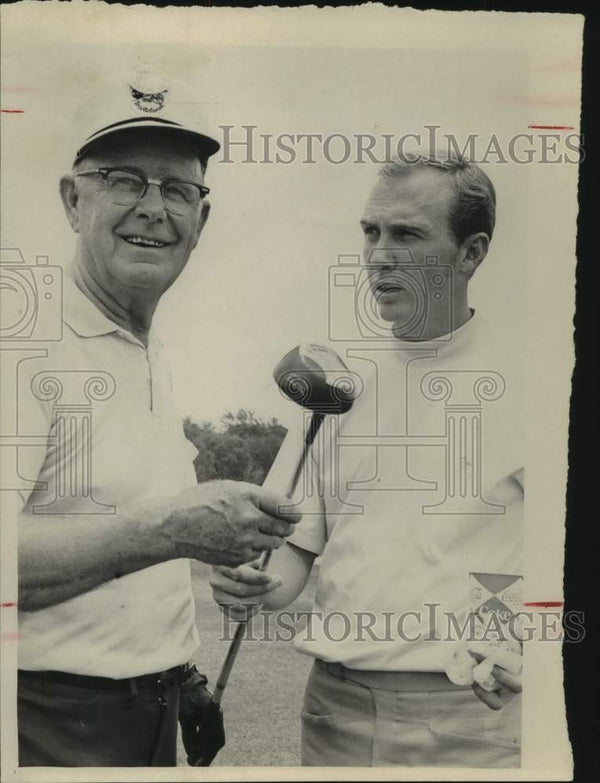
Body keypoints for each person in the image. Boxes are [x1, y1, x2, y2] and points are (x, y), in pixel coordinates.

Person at [15, 69, 300, 767]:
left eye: (177, 189)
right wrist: (172, 528)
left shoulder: (150, 347)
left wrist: (208, 568)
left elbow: (128, 542)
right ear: (71, 199)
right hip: (43, 720)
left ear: (202, 220)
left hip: (153, 712)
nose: (152, 207)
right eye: (123, 179)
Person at [211, 152, 524, 768]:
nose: (380, 254)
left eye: (407, 234)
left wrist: (522, 631)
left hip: (473, 718)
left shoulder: (533, 377)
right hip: (335, 708)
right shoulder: (337, 379)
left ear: (472, 252)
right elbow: (297, 550)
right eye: (370, 231)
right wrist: (249, 587)